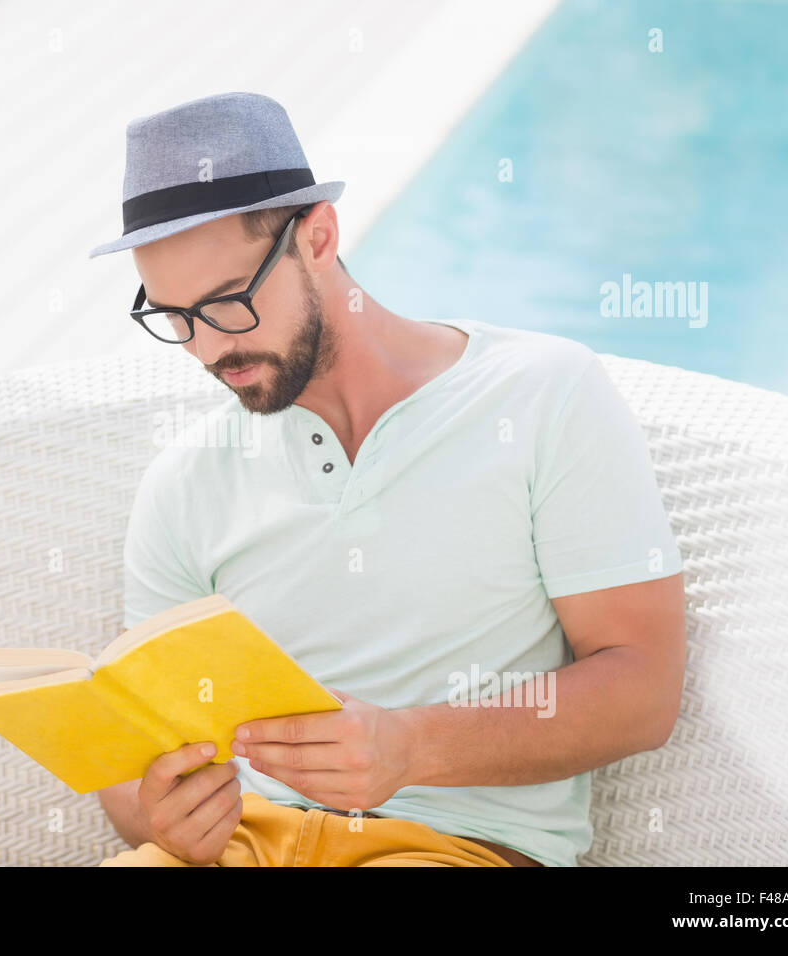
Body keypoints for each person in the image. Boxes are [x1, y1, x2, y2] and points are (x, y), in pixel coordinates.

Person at [87, 92, 686, 867]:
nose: (205, 350)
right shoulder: (184, 481)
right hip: (243, 847)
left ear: (319, 238)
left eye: (227, 303)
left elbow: (642, 691)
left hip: (445, 848)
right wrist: (160, 817)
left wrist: (410, 748)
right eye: (175, 318)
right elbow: (131, 762)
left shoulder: (541, 394)